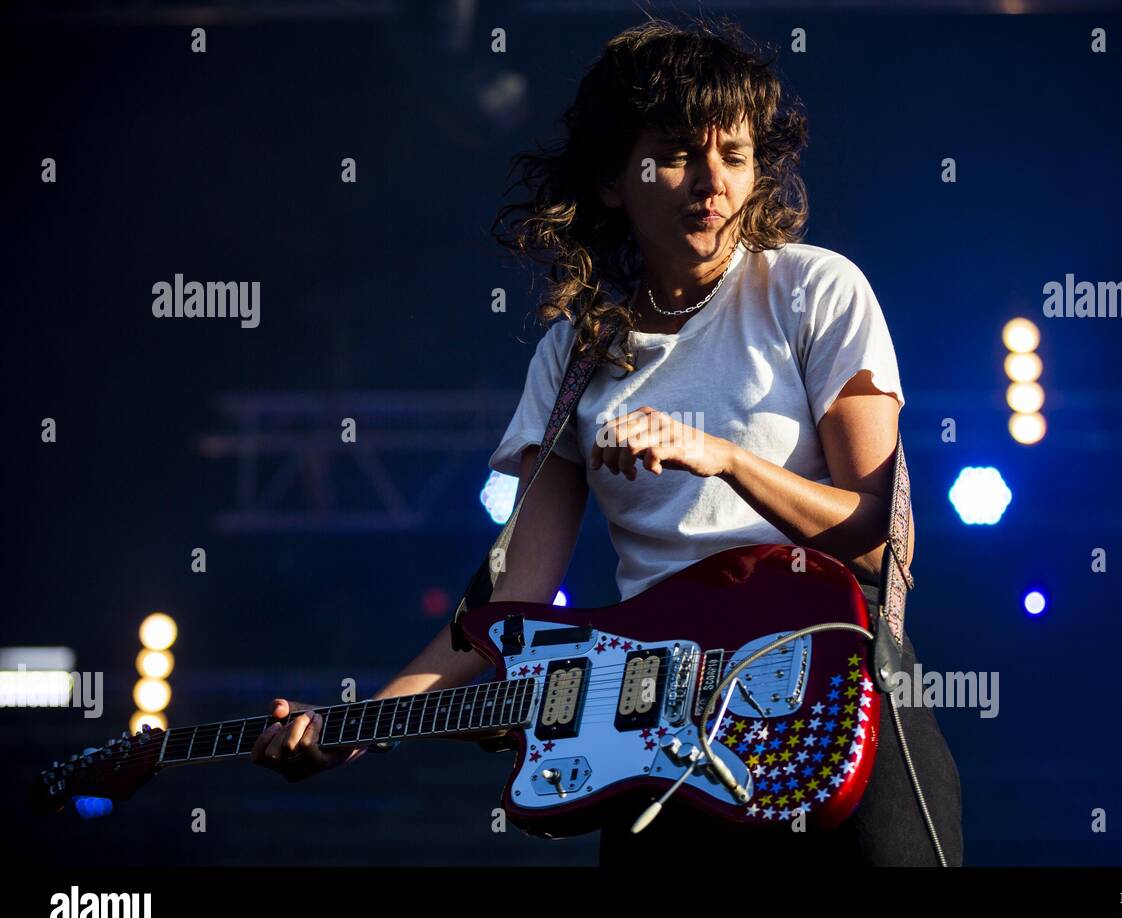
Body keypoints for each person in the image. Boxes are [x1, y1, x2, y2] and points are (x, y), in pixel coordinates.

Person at [252, 17, 962, 867]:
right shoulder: (577, 350)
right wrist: (362, 726)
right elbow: (514, 591)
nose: (712, 183)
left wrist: (725, 457)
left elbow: (877, 539)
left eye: (734, 155)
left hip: (833, 709)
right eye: (678, 153)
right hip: (657, 745)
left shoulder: (813, 290)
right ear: (616, 179)